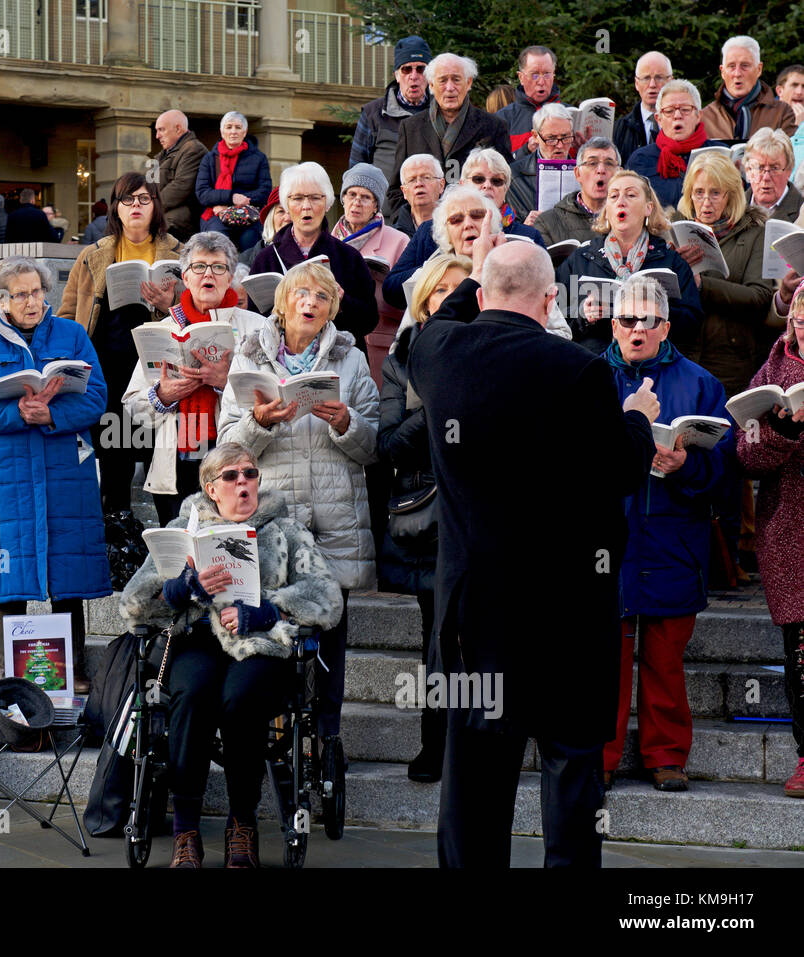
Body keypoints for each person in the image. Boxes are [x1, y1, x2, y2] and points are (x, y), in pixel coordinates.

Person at [408, 236, 658, 867]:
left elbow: (441, 317)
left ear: (483, 291)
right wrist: (637, 418)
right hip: (566, 610)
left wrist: (485, 265)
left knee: (471, 777)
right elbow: (619, 470)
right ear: (551, 300)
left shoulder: (436, 352)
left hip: (473, 610)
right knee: (572, 769)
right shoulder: (578, 368)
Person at [119, 441, 343, 867]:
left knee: (241, 699)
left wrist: (269, 610)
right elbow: (133, 602)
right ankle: (186, 829)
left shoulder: (287, 532)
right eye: (231, 476)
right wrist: (179, 588)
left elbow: (327, 598)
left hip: (263, 644)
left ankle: (242, 824)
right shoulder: (183, 530)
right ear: (211, 487)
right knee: (192, 695)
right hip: (199, 640)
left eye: (250, 474)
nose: (243, 483)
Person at [220, 260, 380, 745]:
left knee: (329, 644)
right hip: (274, 525)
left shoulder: (349, 359)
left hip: (335, 523)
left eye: (323, 297)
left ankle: (325, 744)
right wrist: (259, 424)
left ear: (332, 308)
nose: (311, 303)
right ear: (283, 302)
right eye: (302, 294)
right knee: (273, 639)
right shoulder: (248, 357)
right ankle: (278, 743)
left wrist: (346, 423)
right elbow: (225, 447)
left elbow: (374, 446)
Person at [0, 257, 111, 693]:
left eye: (37, 291)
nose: (32, 301)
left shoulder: (71, 334)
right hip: (7, 471)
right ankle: (10, 675)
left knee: (67, 569)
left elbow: (96, 395)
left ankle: (73, 669)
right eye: (21, 294)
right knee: (9, 574)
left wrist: (51, 412)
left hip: (64, 466)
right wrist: (20, 411)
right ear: (1, 301)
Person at [603, 276, 732, 793]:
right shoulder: (589, 376)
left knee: (664, 662)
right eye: (628, 320)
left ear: (666, 326)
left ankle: (666, 756)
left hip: (674, 539)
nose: (637, 329)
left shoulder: (700, 382)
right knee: (604, 662)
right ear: (613, 324)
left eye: (648, 320)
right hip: (607, 540)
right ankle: (603, 756)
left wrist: (684, 466)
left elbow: (724, 468)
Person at [377, 252, 472, 783]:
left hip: (485, 517)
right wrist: (434, 402)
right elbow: (389, 445)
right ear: (425, 301)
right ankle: (436, 743)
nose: (451, 300)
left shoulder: (491, 351)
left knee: (477, 636)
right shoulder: (403, 358)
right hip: (430, 521)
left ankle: (479, 738)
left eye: (462, 290)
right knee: (438, 637)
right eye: (442, 291)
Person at [121, 232, 268, 526]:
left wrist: (225, 383)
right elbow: (132, 405)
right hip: (175, 468)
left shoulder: (258, 328)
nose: (208, 274)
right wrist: (162, 396)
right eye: (199, 267)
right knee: (183, 562)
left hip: (237, 466)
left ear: (230, 278)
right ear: (185, 278)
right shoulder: (163, 328)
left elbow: (272, 400)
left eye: (218, 267)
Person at [58, 172, 181, 514]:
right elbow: (68, 314)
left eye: (144, 199)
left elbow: (198, 311)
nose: (136, 206)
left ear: (156, 206)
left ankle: (172, 550)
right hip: (108, 373)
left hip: (160, 375)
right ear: (116, 208)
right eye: (128, 199)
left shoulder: (180, 253)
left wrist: (168, 304)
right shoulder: (92, 255)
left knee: (165, 472)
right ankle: (117, 553)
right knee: (114, 471)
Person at [735, 285, 804, 797]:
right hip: (791, 532)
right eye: (801, 320)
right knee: (801, 653)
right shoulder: (774, 370)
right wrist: (782, 428)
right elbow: (747, 451)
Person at [557, 170, 702, 351]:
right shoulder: (582, 258)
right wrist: (584, 317)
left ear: (648, 208)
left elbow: (692, 325)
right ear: (607, 210)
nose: (621, 201)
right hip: (595, 365)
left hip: (653, 366)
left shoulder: (670, 261)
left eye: (631, 195)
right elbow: (555, 322)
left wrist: (656, 313)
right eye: (614, 196)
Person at [385, 152, 545, 311]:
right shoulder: (430, 230)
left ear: (506, 188)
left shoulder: (527, 236)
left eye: (496, 181)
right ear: (462, 184)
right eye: (478, 179)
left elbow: (546, 293)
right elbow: (392, 289)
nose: (487, 185)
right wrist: (438, 271)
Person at [674, 152, 773, 396]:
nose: (706, 202)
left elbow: (759, 298)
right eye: (699, 193)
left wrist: (702, 286)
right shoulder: (674, 232)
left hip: (731, 361)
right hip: (682, 358)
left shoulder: (754, 233)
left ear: (730, 195)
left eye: (715, 193)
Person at [248, 162, 378, 341]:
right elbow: (253, 321)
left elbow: (369, 321)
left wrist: (343, 303)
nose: (306, 206)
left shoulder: (349, 257)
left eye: (315, 198)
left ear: (328, 203)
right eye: (297, 198)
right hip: (282, 358)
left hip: (334, 358)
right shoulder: (266, 258)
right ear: (286, 205)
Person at [387, 53, 512, 220]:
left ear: (468, 83)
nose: (450, 87)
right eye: (443, 80)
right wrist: (409, 224)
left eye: (456, 79)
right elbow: (397, 189)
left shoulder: (493, 127)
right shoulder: (411, 128)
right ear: (431, 84)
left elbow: (507, 183)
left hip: (475, 225)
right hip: (423, 229)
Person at [333, 163, 410, 384]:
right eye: (351, 194)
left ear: (376, 204)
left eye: (365, 197)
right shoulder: (329, 241)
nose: (356, 202)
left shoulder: (399, 240)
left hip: (378, 340)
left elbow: (410, 299)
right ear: (343, 199)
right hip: (336, 339)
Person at [627, 80, 725, 209]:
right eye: (669, 111)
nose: (677, 116)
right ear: (659, 119)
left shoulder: (719, 154)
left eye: (685, 109)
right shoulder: (641, 160)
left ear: (698, 116)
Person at [348, 35, 433, 180]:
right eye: (406, 69)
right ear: (397, 75)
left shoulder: (442, 113)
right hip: (387, 202)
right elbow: (357, 171)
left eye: (420, 69)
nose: (414, 76)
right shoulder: (373, 113)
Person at [196, 112, 272, 252]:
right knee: (217, 243)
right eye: (229, 127)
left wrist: (238, 203)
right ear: (221, 131)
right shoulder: (210, 158)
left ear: (245, 132)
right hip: (217, 214)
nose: (233, 132)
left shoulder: (259, 158)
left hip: (248, 215)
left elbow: (265, 190)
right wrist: (231, 197)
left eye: (237, 127)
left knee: (250, 243)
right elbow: (202, 193)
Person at [700, 36, 799, 144]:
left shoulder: (781, 112)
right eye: (731, 66)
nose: (737, 73)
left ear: (759, 69)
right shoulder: (705, 116)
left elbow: (791, 156)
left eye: (745, 66)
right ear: (722, 71)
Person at [509, 103, 576, 223]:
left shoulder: (583, 173)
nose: (560, 145)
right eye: (551, 139)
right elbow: (506, 227)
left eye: (566, 137)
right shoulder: (514, 176)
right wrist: (525, 228)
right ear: (535, 136)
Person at [153, 110, 209, 240]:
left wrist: (151, 207)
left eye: (161, 130)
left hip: (183, 215)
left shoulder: (194, 149)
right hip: (162, 209)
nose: (157, 136)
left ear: (178, 129)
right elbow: (148, 185)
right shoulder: (160, 156)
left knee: (155, 230)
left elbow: (181, 187)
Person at [495, 45, 563, 154]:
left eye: (547, 74)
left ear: (553, 75)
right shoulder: (502, 119)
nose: (541, 82)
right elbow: (495, 167)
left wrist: (582, 148)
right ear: (521, 77)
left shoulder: (570, 113)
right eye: (535, 75)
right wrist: (526, 150)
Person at [614, 51, 674, 166]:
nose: (652, 84)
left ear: (670, 81)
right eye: (646, 78)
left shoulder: (683, 125)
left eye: (659, 77)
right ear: (637, 83)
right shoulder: (619, 129)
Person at [742, 127, 802, 222]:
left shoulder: (800, 210)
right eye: (759, 168)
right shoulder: (731, 210)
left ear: (789, 170)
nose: (766, 177)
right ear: (748, 171)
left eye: (774, 168)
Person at [394, 154, 445, 234]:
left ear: (441, 185)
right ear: (404, 191)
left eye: (426, 177)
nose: (419, 184)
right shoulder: (394, 237)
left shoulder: (456, 227)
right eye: (411, 180)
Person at [238, 188, 286, 270]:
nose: (287, 217)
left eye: (291, 211)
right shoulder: (245, 261)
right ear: (270, 220)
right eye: (281, 211)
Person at [776, 64, 804, 179]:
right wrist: (796, 128)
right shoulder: (766, 118)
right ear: (780, 91)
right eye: (794, 85)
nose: (799, 92)